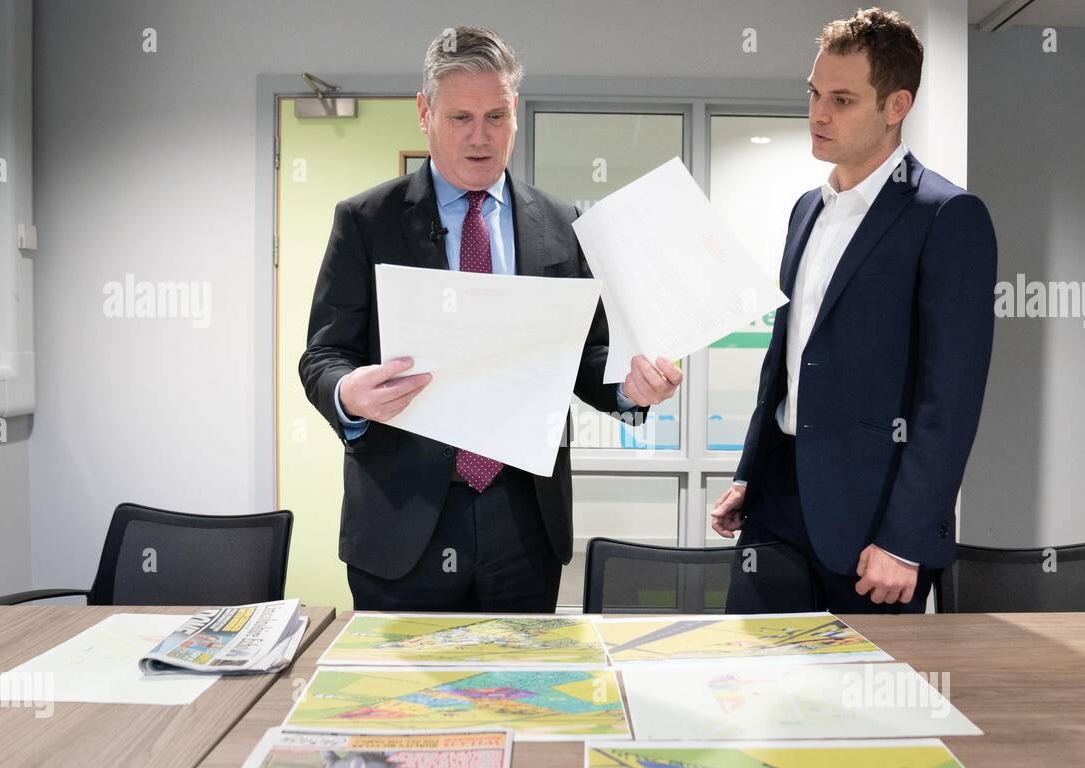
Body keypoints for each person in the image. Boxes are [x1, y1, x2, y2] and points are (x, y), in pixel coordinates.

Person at [300, 26, 681, 613]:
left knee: (519, 697)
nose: (480, 138)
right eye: (460, 118)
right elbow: (323, 356)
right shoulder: (366, 221)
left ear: (516, 113)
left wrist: (629, 388)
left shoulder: (560, 222)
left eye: (496, 116)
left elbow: (588, 358)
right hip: (402, 522)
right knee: (404, 702)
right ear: (424, 113)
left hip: (523, 519)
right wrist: (348, 394)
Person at [711, 7, 996, 614]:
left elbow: (951, 400)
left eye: (842, 100)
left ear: (896, 106)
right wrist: (750, 473)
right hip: (777, 502)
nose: (818, 113)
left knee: (859, 704)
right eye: (814, 93)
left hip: (874, 526)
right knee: (747, 686)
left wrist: (905, 539)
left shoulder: (946, 216)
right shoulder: (805, 211)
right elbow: (786, 359)